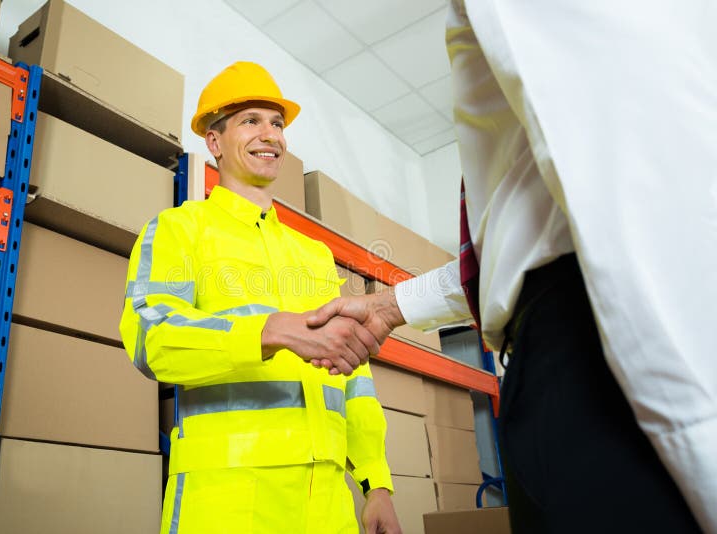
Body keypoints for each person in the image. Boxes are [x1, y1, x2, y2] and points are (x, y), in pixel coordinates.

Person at [307, 1, 717, 532]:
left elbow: (621, 182)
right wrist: (391, 306)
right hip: (594, 343)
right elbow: (530, 228)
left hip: (612, 354)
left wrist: (699, 435)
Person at [119, 61, 401, 534]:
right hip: (226, 503)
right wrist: (270, 331)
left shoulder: (313, 256)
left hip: (329, 507)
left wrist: (377, 485)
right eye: (251, 121)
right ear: (214, 142)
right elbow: (151, 336)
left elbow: (356, 378)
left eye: (277, 123)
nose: (270, 135)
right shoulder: (179, 231)